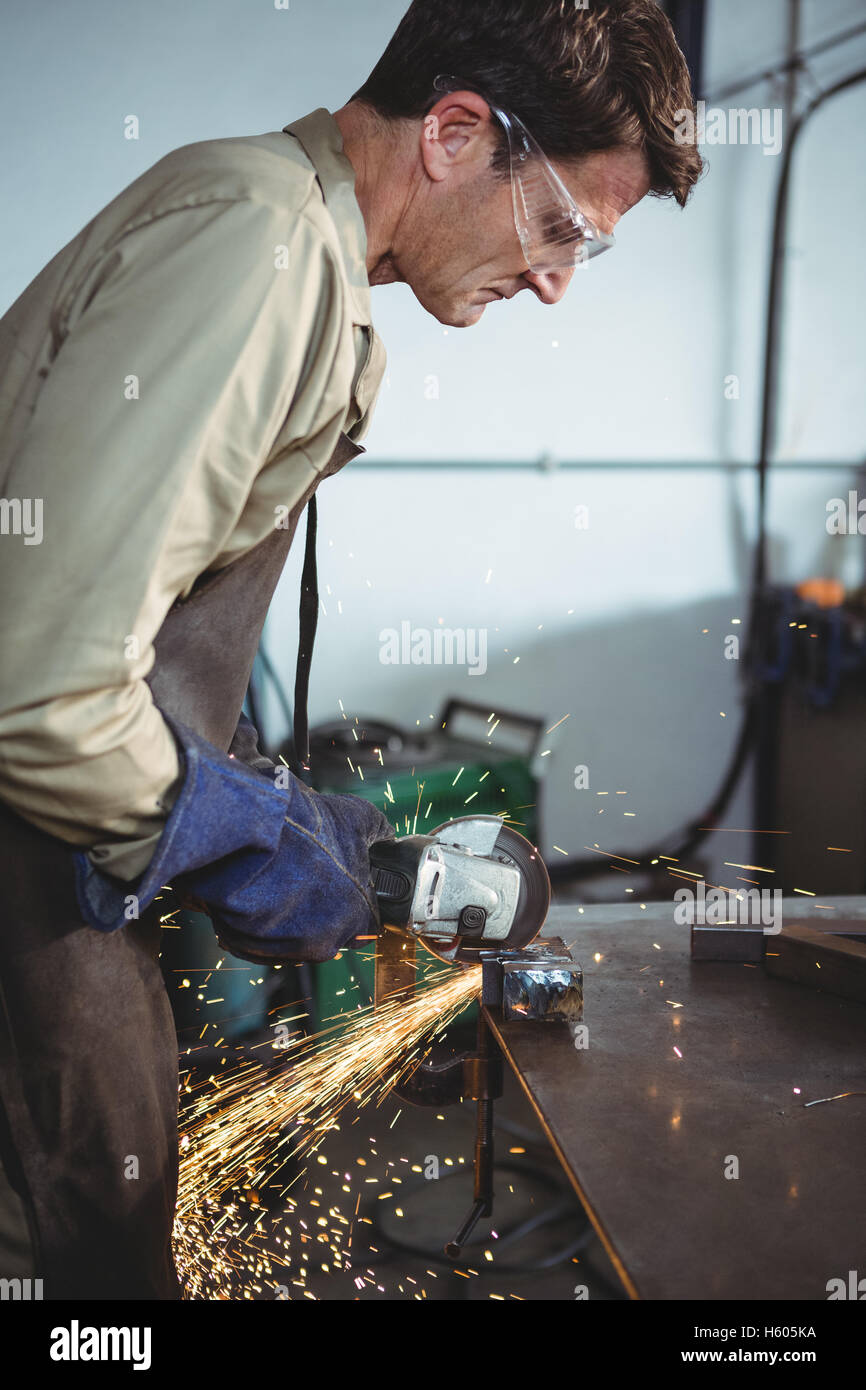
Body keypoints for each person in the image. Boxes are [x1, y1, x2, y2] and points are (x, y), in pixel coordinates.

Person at [0, 0, 702, 1299]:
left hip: (62, 888)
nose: (553, 279)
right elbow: (36, 695)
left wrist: (296, 818)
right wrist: (254, 838)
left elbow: (134, 633)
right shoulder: (257, 246)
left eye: (581, 254)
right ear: (451, 132)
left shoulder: (299, 263)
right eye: (556, 228)